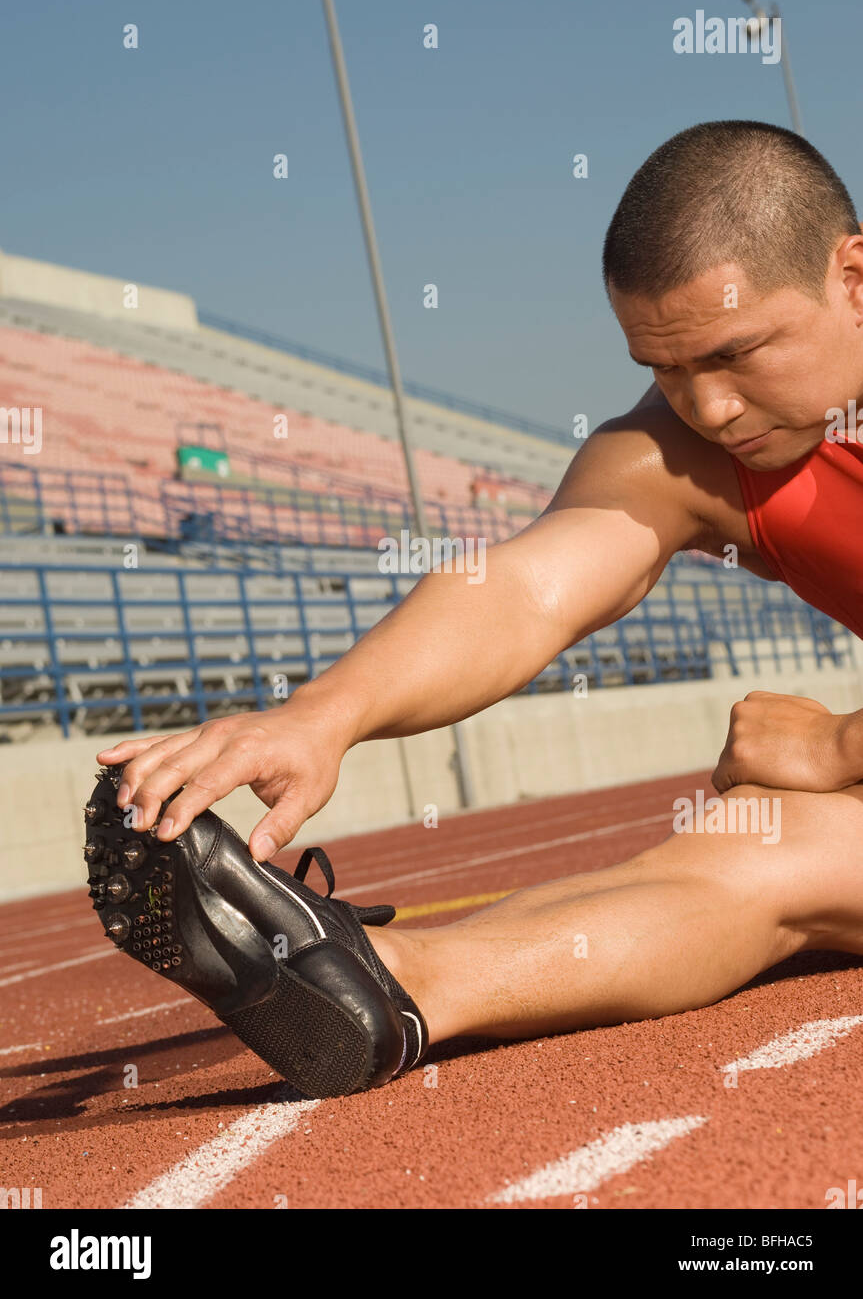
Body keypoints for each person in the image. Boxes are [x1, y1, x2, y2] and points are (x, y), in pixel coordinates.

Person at [93, 120, 863, 1096]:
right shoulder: (689, 453)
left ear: (852, 279)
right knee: (760, 836)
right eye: (664, 369)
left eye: (733, 353)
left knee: (795, 839)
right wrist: (321, 716)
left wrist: (838, 747)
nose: (706, 407)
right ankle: (382, 983)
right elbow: (522, 589)